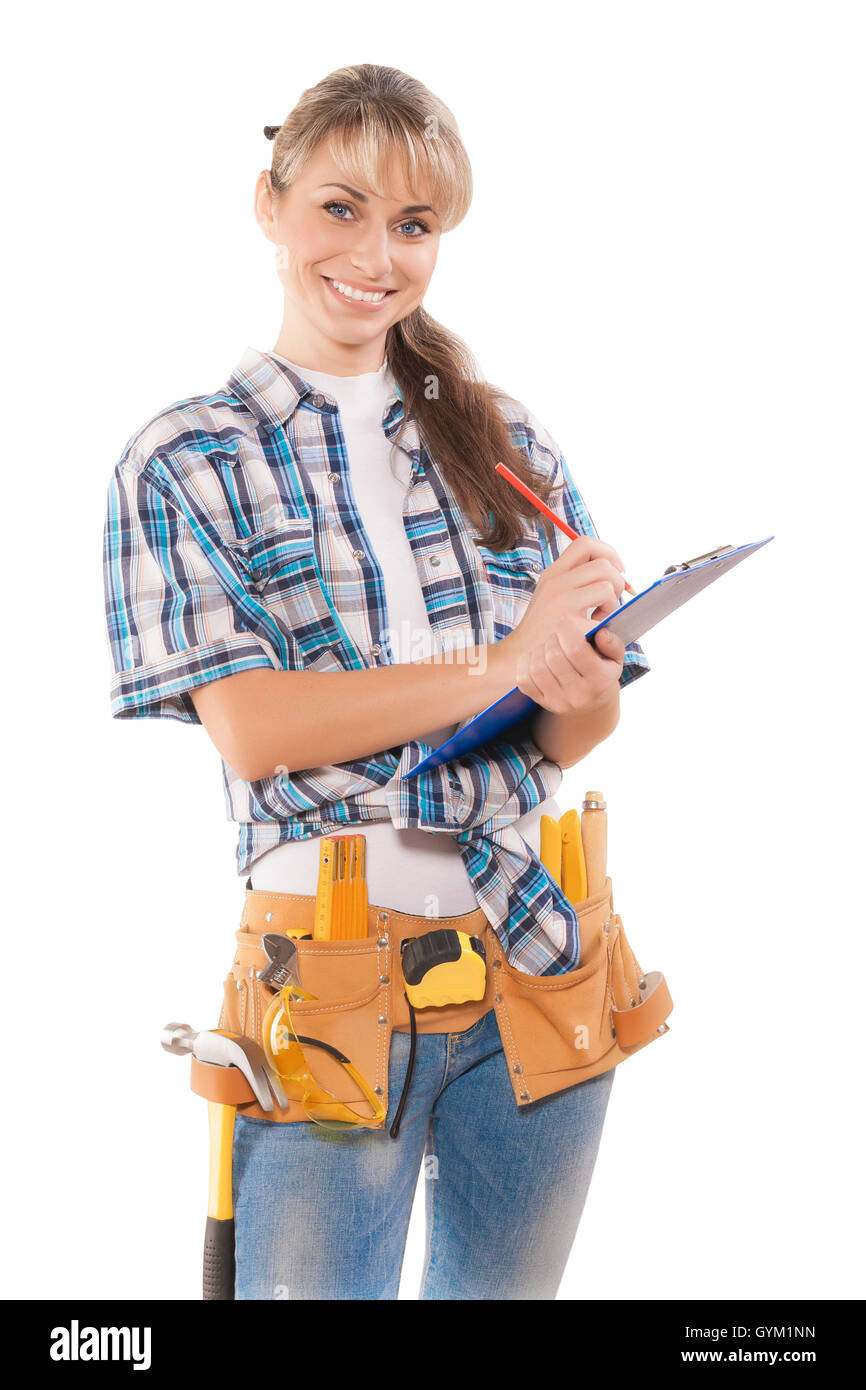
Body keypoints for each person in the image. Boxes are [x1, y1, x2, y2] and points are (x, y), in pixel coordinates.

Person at [102, 63, 650, 1301]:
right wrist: (499, 665)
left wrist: (581, 656)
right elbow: (252, 730)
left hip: (535, 957)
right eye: (341, 208)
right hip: (329, 990)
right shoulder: (187, 460)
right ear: (269, 203)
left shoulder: (502, 443)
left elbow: (569, 736)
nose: (377, 254)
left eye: (413, 225)